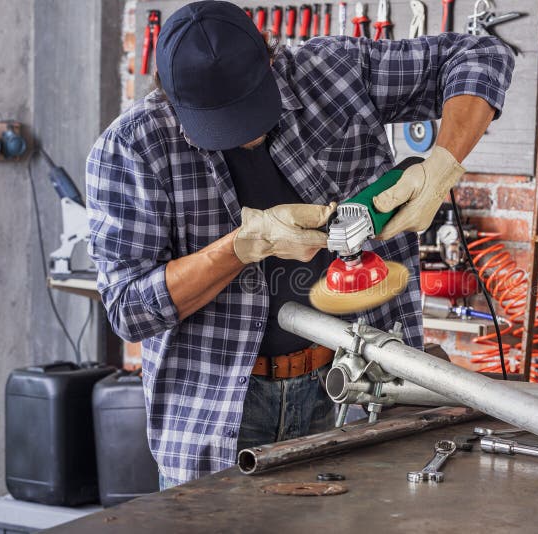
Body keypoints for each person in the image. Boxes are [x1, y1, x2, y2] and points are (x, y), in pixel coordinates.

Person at [86, 0, 514, 488]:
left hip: (357, 382)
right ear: (172, 100)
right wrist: (241, 247)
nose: (244, 136)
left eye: (251, 112)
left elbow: (482, 54)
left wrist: (444, 162)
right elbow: (128, 309)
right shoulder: (132, 149)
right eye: (221, 126)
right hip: (220, 405)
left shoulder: (333, 73)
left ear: (271, 61)